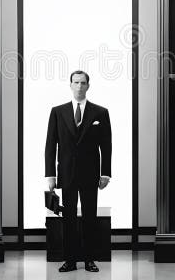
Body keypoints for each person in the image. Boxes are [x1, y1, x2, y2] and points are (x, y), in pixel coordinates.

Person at [45, 70, 112, 273]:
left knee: (90, 217)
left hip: (91, 174)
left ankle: (90, 259)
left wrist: (105, 173)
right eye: (76, 82)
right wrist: (50, 175)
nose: (80, 86)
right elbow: (50, 145)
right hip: (66, 173)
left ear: (88, 86)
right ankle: (70, 260)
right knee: (69, 219)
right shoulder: (58, 111)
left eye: (83, 82)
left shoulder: (100, 112)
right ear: (71, 85)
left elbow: (106, 145)